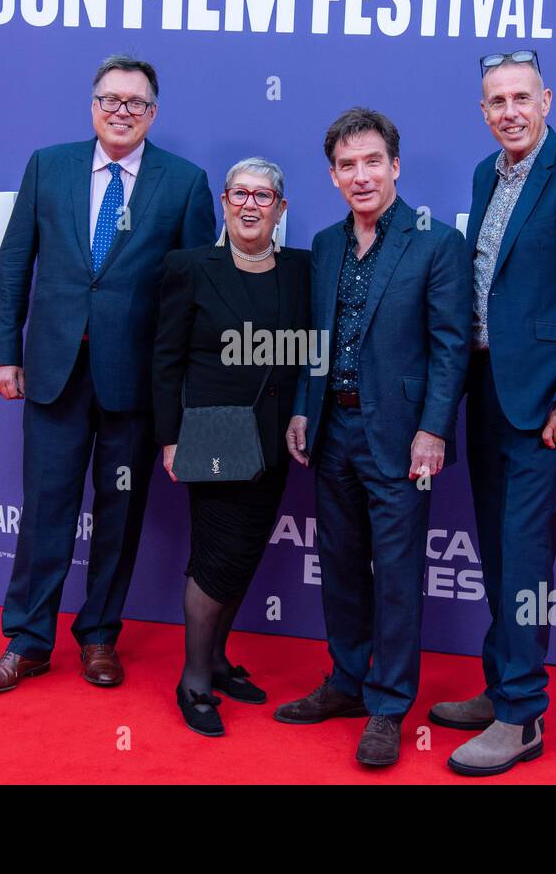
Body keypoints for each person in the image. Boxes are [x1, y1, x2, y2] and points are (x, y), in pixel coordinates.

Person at [0, 55, 216, 695]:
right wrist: (3, 351)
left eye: (135, 103)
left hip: (134, 385)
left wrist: (186, 390)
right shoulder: (48, 166)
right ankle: (26, 642)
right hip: (53, 373)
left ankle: (101, 636)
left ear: (153, 113)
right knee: (45, 510)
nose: (121, 111)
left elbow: (195, 294)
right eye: (110, 99)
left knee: (120, 514)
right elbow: (14, 262)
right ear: (93, 106)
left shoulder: (184, 182)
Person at [431, 50, 556, 776]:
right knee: (497, 552)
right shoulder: (489, 174)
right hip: (484, 392)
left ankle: (521, 716)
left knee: (525, 560)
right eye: (495, 101)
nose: (509, 110)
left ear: (547, 99)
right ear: (482, 112)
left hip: (545, 402)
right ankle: (500, 685)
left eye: (521, 96)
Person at [278, 108, 471, 767]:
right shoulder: (327, 245)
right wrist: (305, 408)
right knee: (338, 565)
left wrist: (433, 430)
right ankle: (346, 682)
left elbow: (451, 349)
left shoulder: (436, 243)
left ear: (395, 165)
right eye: (346, 165)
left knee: (394, 573)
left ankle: (388, 704)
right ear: (332, 176)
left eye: (371, 162)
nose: (359, 175)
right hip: (333, 429)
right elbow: (316, 338)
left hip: (401, 436)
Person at [153, 158, 312, 737]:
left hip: (273, 435)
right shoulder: (190, 267)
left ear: (281, 207)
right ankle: (193, 679)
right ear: (223, 201)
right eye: (240, 194)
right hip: (213, 429)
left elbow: (305, 353)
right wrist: (169, 438)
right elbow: (166, 359)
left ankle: (218, 661)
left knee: (244, 552)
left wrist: (300, 412)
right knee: (217, 552)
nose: (250, 205)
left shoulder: (300, 269)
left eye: (263, 196)